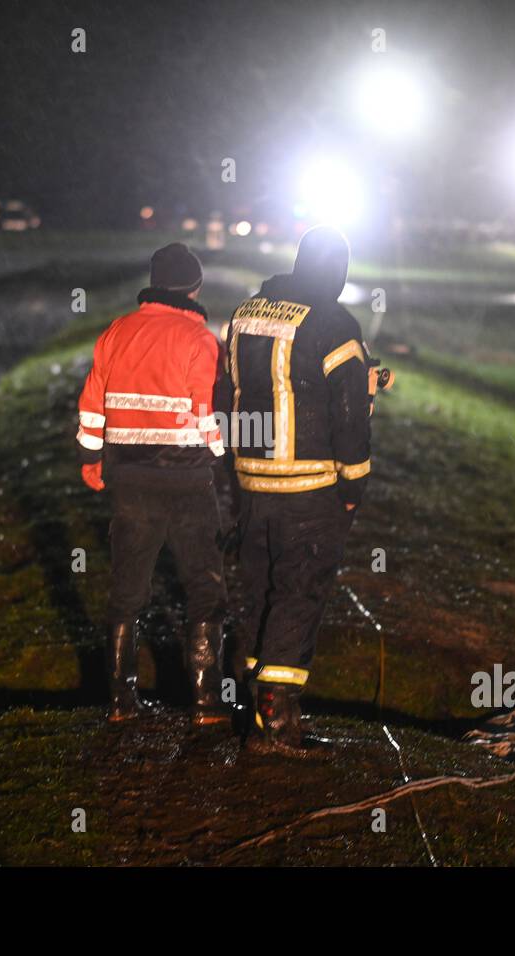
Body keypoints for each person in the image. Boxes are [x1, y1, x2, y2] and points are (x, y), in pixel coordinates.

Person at [226, 226, 372, 754]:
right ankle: (278, 716)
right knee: (300, 590)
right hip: (309, 485)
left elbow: (241, 387)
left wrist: (238, 463)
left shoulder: (246, 311)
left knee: (257, 587)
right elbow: (349, 414)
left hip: (251, 479)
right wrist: (353, 482)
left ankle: (248, 701)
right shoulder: (336, 323)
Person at [76, 243, 230, 726]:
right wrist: (223, 459)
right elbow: (207, 414)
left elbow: (91, 405)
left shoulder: (116, 332)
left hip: (129, 480)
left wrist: (90, 458)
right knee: (204, 588)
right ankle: (206, 705)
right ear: (195, 288)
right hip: (187, 482)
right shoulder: (200, 339)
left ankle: (121, 704)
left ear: (154, 284)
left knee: (127, 589)